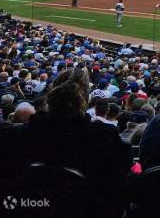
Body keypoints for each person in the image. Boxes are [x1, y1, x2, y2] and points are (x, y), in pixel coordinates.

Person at [18, 81, 131, 217]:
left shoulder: (27, 132)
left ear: (50, 105)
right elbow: (116, 178)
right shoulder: (103, 134)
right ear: (81, 104)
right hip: (90, 206)